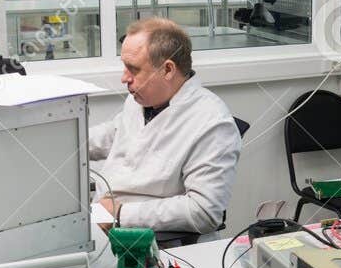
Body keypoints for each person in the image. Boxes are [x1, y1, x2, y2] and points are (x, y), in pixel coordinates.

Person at [90, 18, 241, 235]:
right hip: (101, 220)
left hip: (147, 240)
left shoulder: (212, 124)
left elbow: (205, 212)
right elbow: (111, 135)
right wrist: (64, 141)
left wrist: (121, 214)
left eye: (133, 69)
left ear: (168, 70)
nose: (124, 78)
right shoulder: (140, 100)